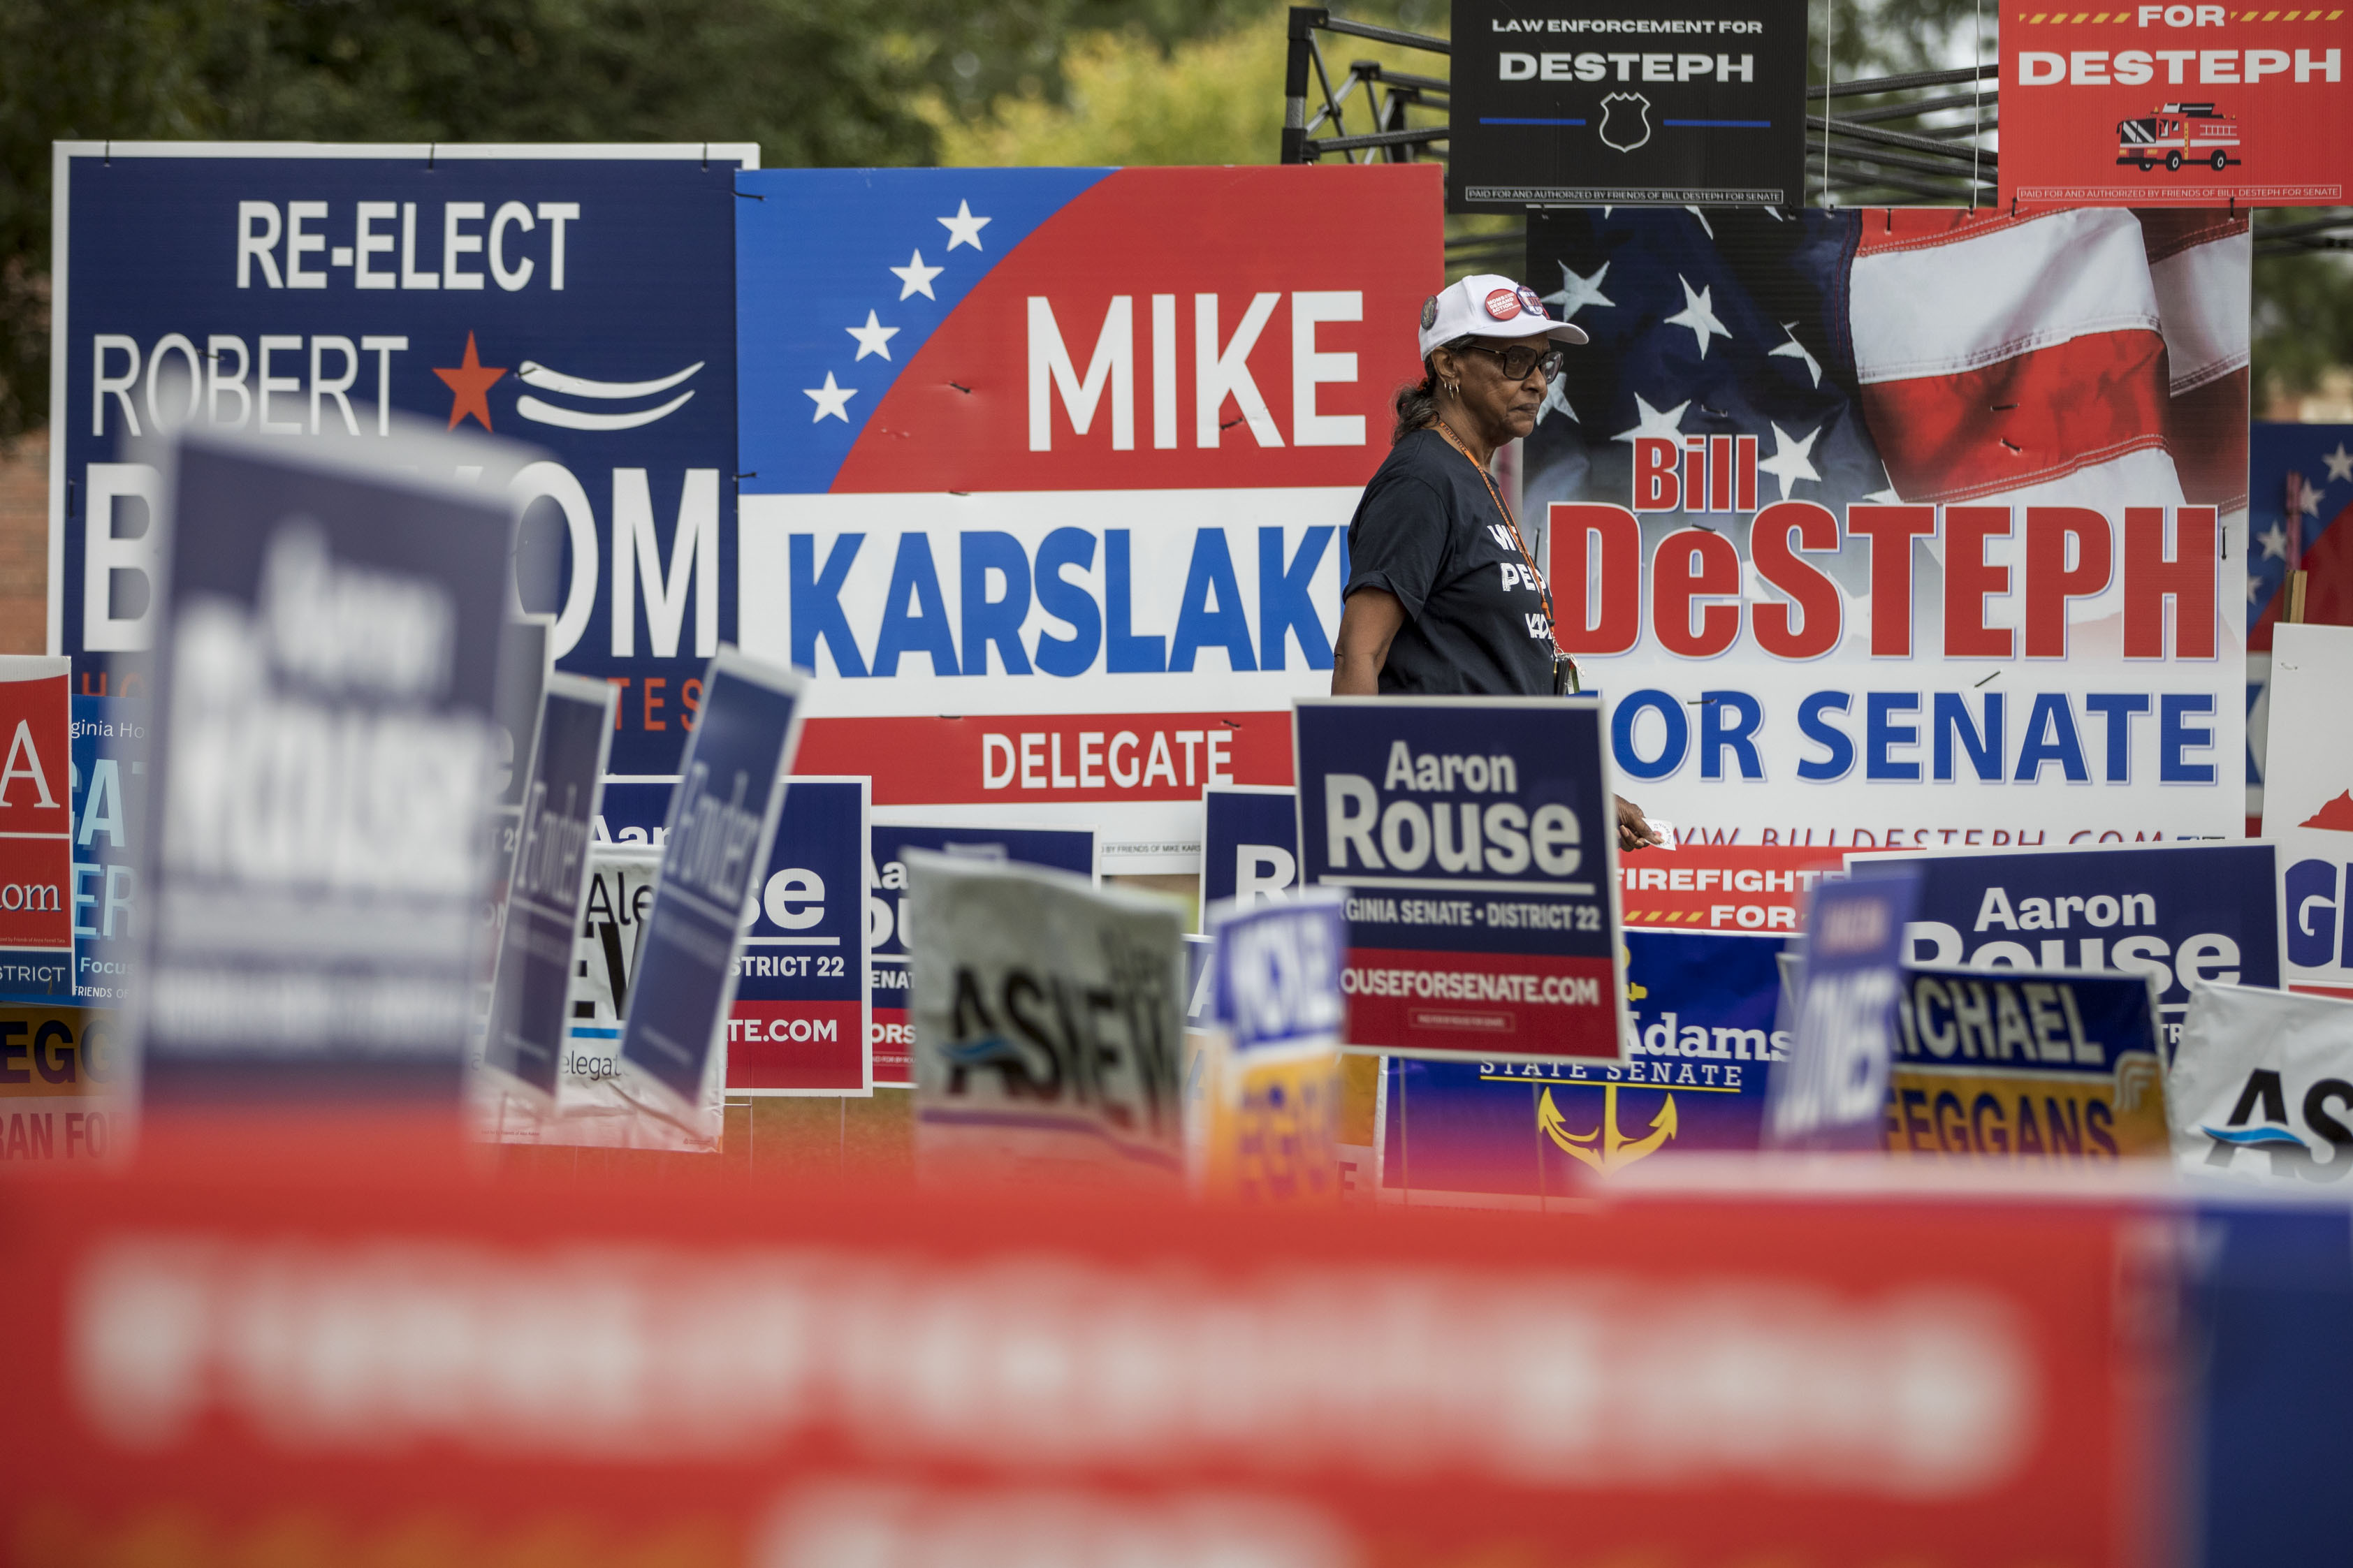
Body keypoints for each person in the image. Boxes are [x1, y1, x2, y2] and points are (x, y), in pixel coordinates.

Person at [1332, 274, 1663, 853]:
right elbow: (1359, 652)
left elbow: (1494, 683)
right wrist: (1364, 822)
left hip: (1501, 819)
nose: (1536, 382)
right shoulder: (1422, 479)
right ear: (1448, 365)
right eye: (1514, 360)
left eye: (1543, 363)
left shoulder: (1470, 476)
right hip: (1435, 824)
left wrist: (1580, 792)